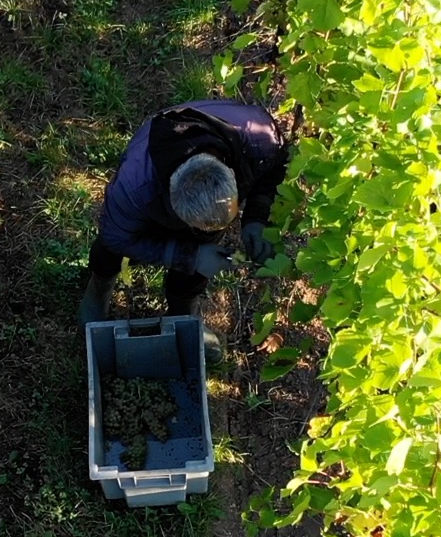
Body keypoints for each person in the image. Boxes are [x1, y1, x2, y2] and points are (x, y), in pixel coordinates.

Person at [77, 101, 288, 355]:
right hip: (146, 201)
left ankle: (183, 314)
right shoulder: (134, 189)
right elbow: (115, 237)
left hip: (221, 168)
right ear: (173, 205)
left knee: (202, 250)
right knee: (111, 250)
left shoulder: (261, 139)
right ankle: (98, 291)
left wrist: (256, 219)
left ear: (230, 176)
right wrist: (189, 256)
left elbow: (275, 170)